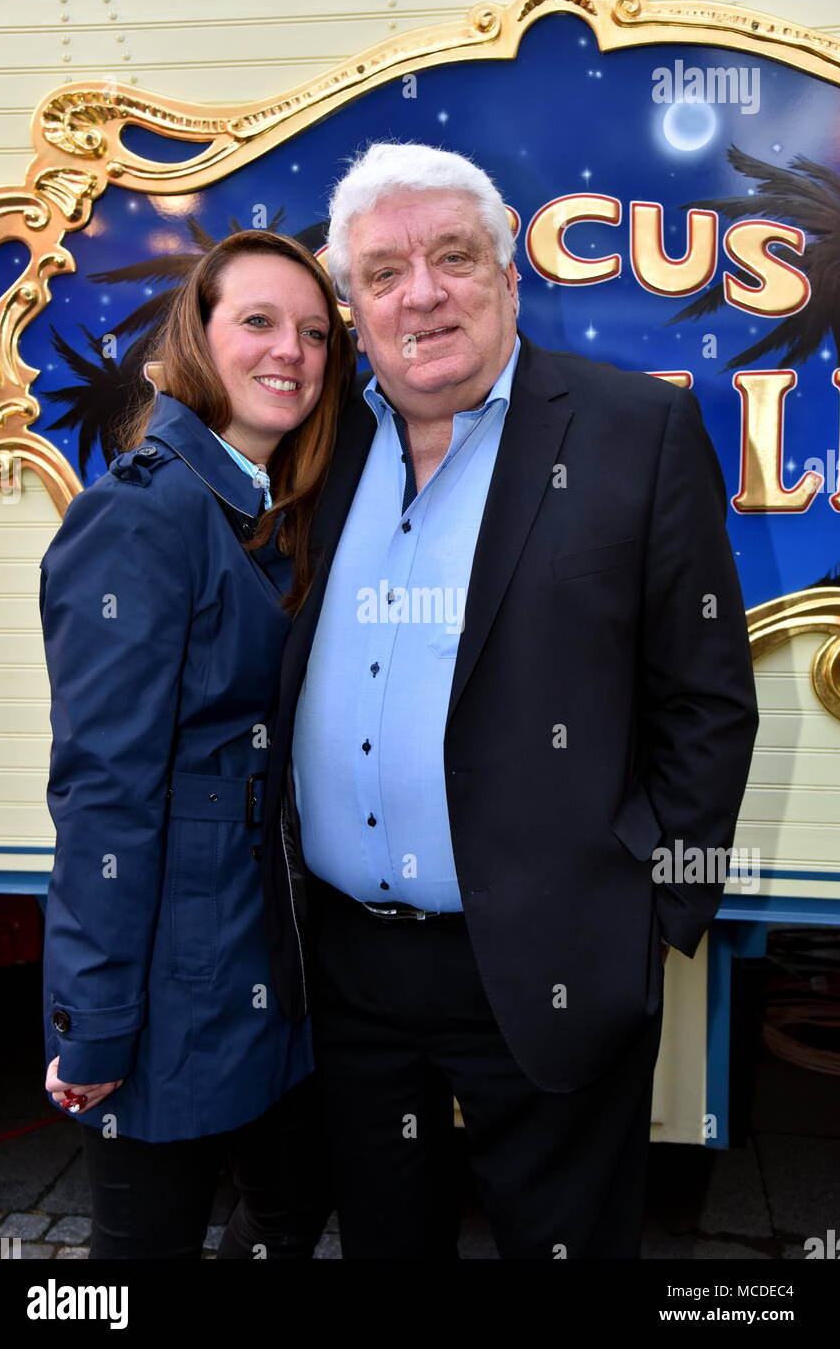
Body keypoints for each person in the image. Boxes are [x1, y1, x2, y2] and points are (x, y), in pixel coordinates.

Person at [261, 143, 760, 1259]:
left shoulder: (634, 432)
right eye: (384, 273)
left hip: (553, 954)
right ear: (354, 306)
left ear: (509, 277)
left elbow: (709, 702)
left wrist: (655, 910)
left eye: (452, 257)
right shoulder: (317, 443)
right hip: (349, 974)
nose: (422, 293)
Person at [39, 229, 355, 1259]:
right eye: (258, 321)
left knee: (294, 1203)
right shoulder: (142, 515)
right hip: (169, 981)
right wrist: (93, 1020)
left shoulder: (257, 511)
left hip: (267, 965)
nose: (291, 351)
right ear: (197, 337)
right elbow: (103, 793)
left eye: (314, 332)